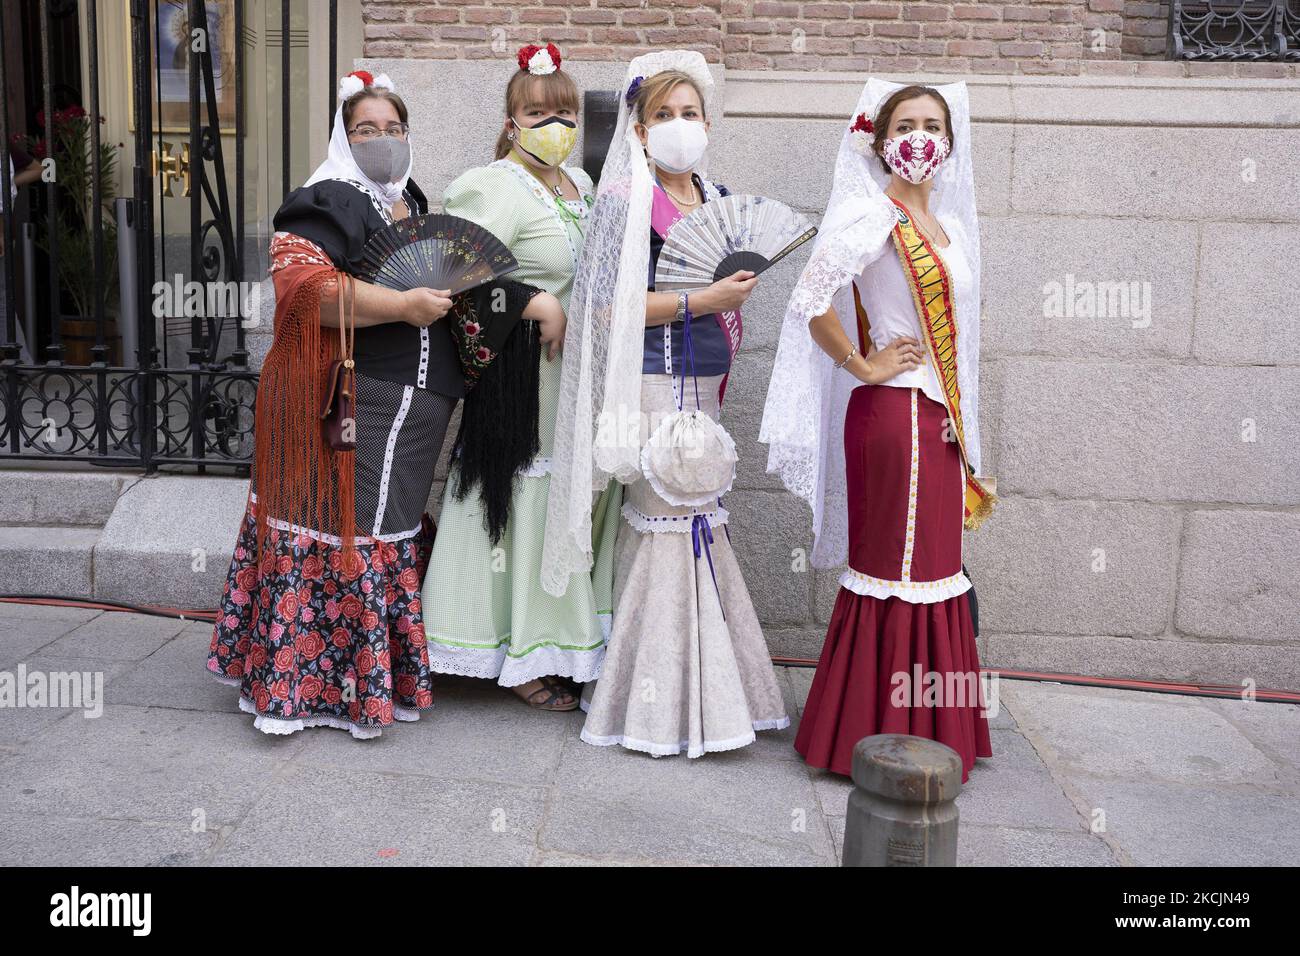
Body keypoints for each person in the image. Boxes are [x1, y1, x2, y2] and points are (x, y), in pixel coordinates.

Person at [206, 69, 558, 737]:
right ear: (343, 135)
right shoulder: (324, 201)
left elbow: (467, 287)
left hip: (419, 406)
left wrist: (531, 300)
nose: (384, 141)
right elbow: (304, 293)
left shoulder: (411, 201)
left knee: (384, 532)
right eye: (366, 129)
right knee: (345, 531)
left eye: (395, 129)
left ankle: (367, 680)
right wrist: (399, 304)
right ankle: (314, 689)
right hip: (351, 399)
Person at [544, 50, 788, 757]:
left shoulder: (717, 197)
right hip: (649, 384)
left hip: (704, 385)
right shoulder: (625, 199)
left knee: (700, 523)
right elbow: (602, 307)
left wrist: (721, 301)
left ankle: (707, 692)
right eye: (664, 115)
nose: (680, 126)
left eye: (690, 114)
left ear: (708, 122)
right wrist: (701, 299)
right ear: (640, 128)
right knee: (665, 523)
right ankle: (651, 704)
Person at [759, 80, 995, 782]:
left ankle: (923, 729)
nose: (920, 137)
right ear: (879, 138)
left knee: (933, 570)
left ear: (950, 143)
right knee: (897, 571)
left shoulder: (947, 227)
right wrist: (862, 364)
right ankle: (875, 734)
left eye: (932, 124)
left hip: (936, 419)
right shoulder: (873, 215)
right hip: (896, 417)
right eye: (906, 124)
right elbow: (811, 299)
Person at [420, 44, 622, 711]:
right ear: (511, 120)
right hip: (521, 377)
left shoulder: (581, 186)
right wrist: (536, 301)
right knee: (522, 503)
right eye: (537, 112)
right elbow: (455, 270)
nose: (553, 123)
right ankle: (512, 650)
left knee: (568, 504)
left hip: (577, 375)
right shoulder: (493, 185)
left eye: (563, 112)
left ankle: (560, 642)